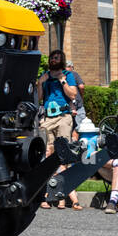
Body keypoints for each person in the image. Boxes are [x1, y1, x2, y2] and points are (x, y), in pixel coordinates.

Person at [38, 49, 82, 209]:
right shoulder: (45, 75)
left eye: (57, 58)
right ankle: (46, 195)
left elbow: (73, 95)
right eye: (52, 58)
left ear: (62, 60)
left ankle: (62, 195)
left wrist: (63, 80)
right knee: (46, 154)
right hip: (48, 117)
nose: (54, 60)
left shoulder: (67, 75)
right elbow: (39, 98)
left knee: (63, 154)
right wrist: (40, 83)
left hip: (63, 116)